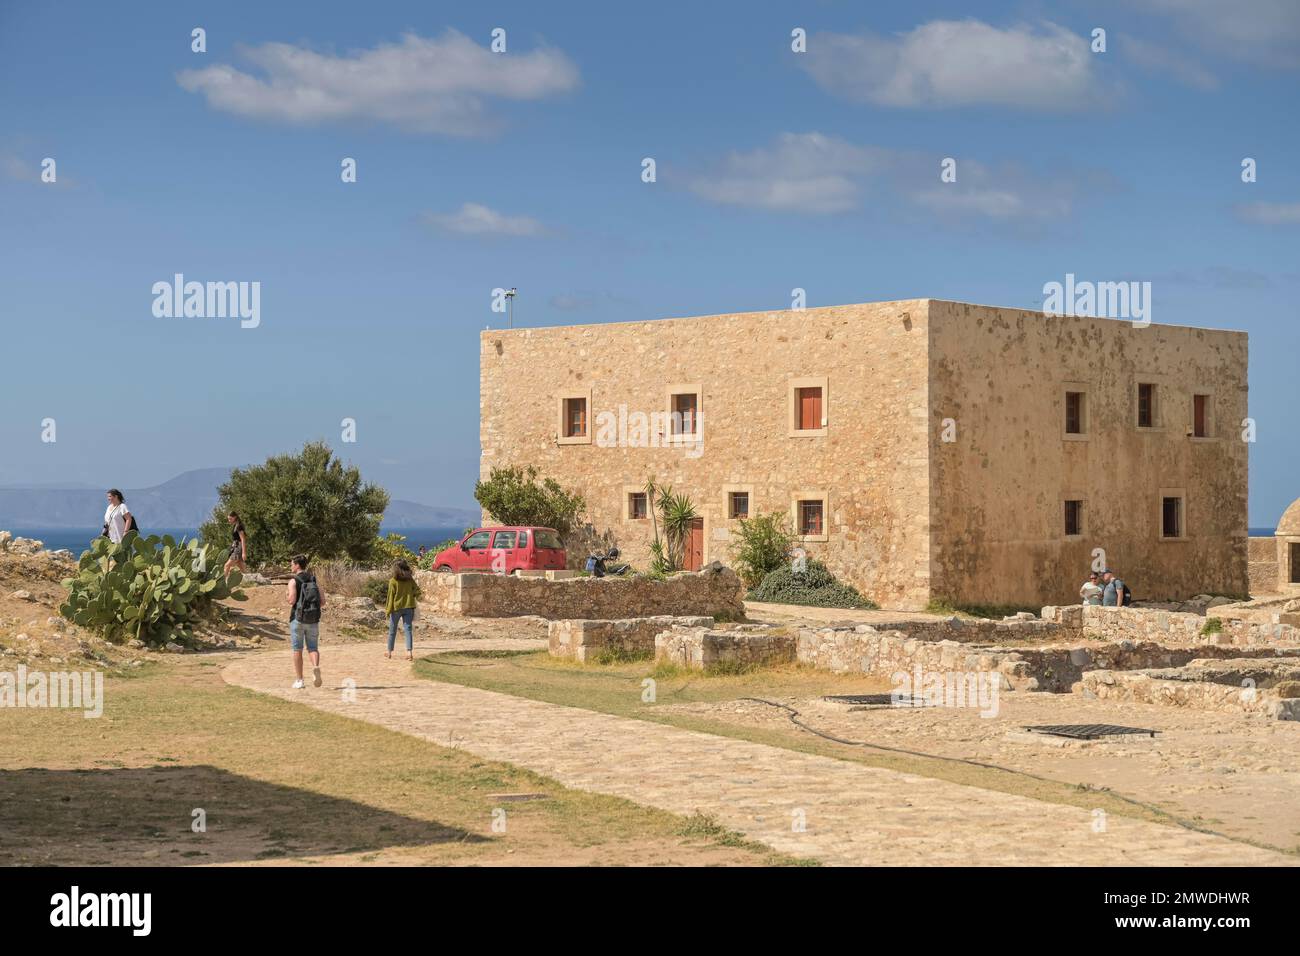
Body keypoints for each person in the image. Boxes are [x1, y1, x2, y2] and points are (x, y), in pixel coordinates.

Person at [287, 554, 325, 690]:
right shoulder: (314, 580)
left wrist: (288, 597)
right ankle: (315, 667)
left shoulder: (293, 581)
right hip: (313, 619)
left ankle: (300, 680)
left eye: (292, 564)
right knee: (313, 648)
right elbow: (323, 602)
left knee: (297, 649)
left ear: (297, 565)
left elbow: (292, 600)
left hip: (297, 620)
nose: (291, 566)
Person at [384, 559, 419, 661]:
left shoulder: (393, 581)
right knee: (408, 630)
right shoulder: (410, 580)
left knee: (392, 630)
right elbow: (417, 591)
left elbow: (390, 597)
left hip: (396, 608)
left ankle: (389, 652)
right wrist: (411, 595)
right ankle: (409, 653)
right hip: (409, 607)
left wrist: (388, 610)